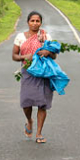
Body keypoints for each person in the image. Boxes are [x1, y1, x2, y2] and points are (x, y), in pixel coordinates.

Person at [12, 10, 55, 143]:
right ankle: (29, 120)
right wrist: (25, 56)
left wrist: (47, 51)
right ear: (28, 22)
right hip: (28, 71)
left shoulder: (46, 36)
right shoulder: (21, 37)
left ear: (41, 23)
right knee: (26, 101)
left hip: (44, 73)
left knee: (42, 103)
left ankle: (39, 133)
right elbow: (14, 56)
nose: (35, 23)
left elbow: (54, 55)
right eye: (32, 21)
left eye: (37, 21)